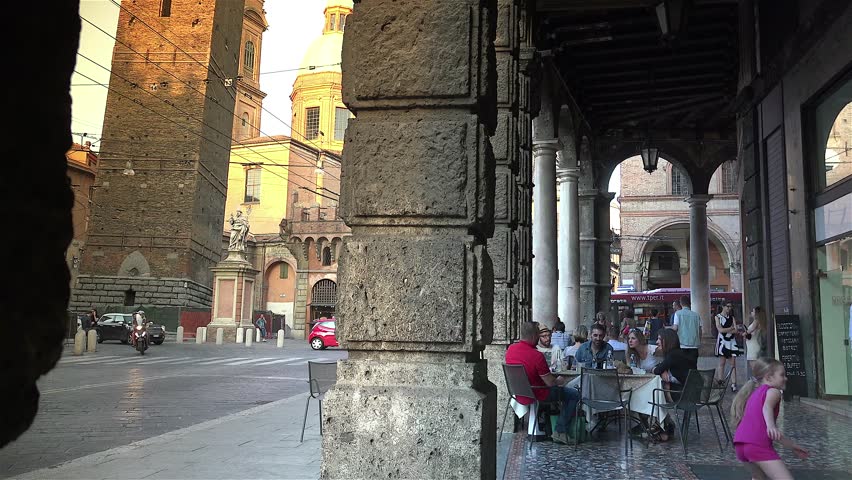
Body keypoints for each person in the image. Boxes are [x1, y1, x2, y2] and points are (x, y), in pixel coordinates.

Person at [730, 358, 809, 479]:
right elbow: (767, 407)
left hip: (741, 445)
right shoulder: (773, 391)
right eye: (782, 375)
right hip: (757, 445)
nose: (786, 378)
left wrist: (792, 446)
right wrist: (771, 425)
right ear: (769, 377)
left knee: (759, 478)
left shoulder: (754, 393)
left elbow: (772, 434)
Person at [505, 322, 581, 445]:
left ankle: (548, 425)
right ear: (534, 336)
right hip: (538, 393)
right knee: (574, 395)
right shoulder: (537, 356)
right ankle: (560, 431)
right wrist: (560, 380)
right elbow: (550, 383)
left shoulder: (511, 349)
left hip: (518, 392)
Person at [715, 302, 743, 391]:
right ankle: (720, 381)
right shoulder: (718, 317)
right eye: (728, 306)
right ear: (723, 307)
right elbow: (720, 329)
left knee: (733, 364)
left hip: (731, 342)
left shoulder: (732, 317)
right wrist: (730, 328)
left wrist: (726, 330)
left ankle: (734, 383)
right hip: (723, 342)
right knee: (722, 362)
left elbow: (736, 330)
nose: (729, 308)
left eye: (730, 307)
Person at [670, 295, 701, 364]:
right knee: (693, 366)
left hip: (682, 344)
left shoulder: (678, 314)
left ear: (681, 303)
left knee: (682, 365)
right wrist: (699, 341)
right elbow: (700, 330)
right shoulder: (696, 315)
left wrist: (668, 328)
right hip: (694, 345)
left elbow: (675, 328)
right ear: (689, 303)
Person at [745, 306, 766, 372]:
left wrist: (744, 333)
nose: (751, 312)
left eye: (753, 311)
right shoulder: (757, 321)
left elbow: (750, 330)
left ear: (756, 313)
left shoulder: (756, 321)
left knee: (754, 367)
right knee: (754, 366)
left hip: (753, 346)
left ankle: (757, 378)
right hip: (752, 345)